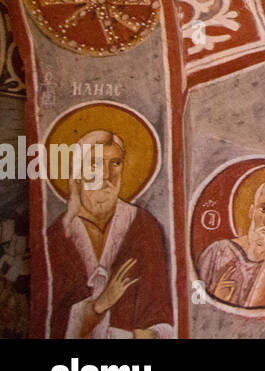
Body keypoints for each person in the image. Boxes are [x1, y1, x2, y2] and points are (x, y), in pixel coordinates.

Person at [46, 131, 174, 339]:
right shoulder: (59, 236)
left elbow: (158, 310)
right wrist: (100, 305)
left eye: (115, 163)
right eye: (95, 163)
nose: (106, 175)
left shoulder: (144, 226)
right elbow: (51, 319)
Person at [196, 180, 265, 308]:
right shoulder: (216, 252)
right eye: (263, 209)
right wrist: (215, 297)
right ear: (251, 211)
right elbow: (193, 300)